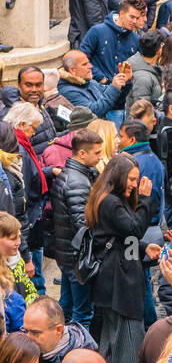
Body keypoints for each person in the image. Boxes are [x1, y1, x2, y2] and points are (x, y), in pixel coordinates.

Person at [85, 154, 157, 363]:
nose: (135, 184)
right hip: (120, 283)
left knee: (110, 343)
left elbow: (122, 236)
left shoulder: (107, 199)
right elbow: (134, 228)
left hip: (114, 279)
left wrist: (144, 247)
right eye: (132, 179)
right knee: (126, 346)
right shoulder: (112, 203)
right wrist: (146, 200)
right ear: (118, 176)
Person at [47, 127, 103, 327]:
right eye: (96, 153)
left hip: (67, 254)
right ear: (82, 153)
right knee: (82, 314)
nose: (100, 157)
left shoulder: (75, 175)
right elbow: (83, 224)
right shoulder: (77, 182)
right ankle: (78, 352)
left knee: (67, 307)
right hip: (77, 258)